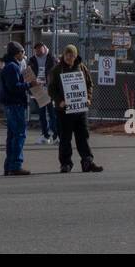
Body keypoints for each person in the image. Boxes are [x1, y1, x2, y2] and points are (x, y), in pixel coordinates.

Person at [47, 44, 103, 173]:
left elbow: (89, 84)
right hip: (64, 111)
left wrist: (88, 98)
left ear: (75, 55)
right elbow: (51, 89)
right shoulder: (57, 69)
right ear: (63, 55)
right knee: (65, 138)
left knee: (83, 136)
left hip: (80, 109)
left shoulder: (82, 68)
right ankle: (66, 163)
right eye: (67, 55)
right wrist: (59, 101)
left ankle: (87, 162)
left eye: (72, 55)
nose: (69, 57)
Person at [0, 40, 33, 176]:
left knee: (12, 136)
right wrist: (30, 85)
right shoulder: (12, 67)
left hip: (10, 105)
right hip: (15, 105)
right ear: (17, 53)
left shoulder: (9, 66)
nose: (23, 55)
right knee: (19, 134)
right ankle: (16, 165)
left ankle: (9, 165)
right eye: (22, 52)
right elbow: (14, 87)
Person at [28, 42, 57, 143]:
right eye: (36, 50)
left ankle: (56, 135)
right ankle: (45, 135)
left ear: (44, 48)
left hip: (50, 89)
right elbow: (28, 74)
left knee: (52, 113)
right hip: (38, 90)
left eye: (40, 49)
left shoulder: (51, 58)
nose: (38, 51)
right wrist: (32, 84)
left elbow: (55, 73)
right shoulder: (32, 60)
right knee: (42, 114)